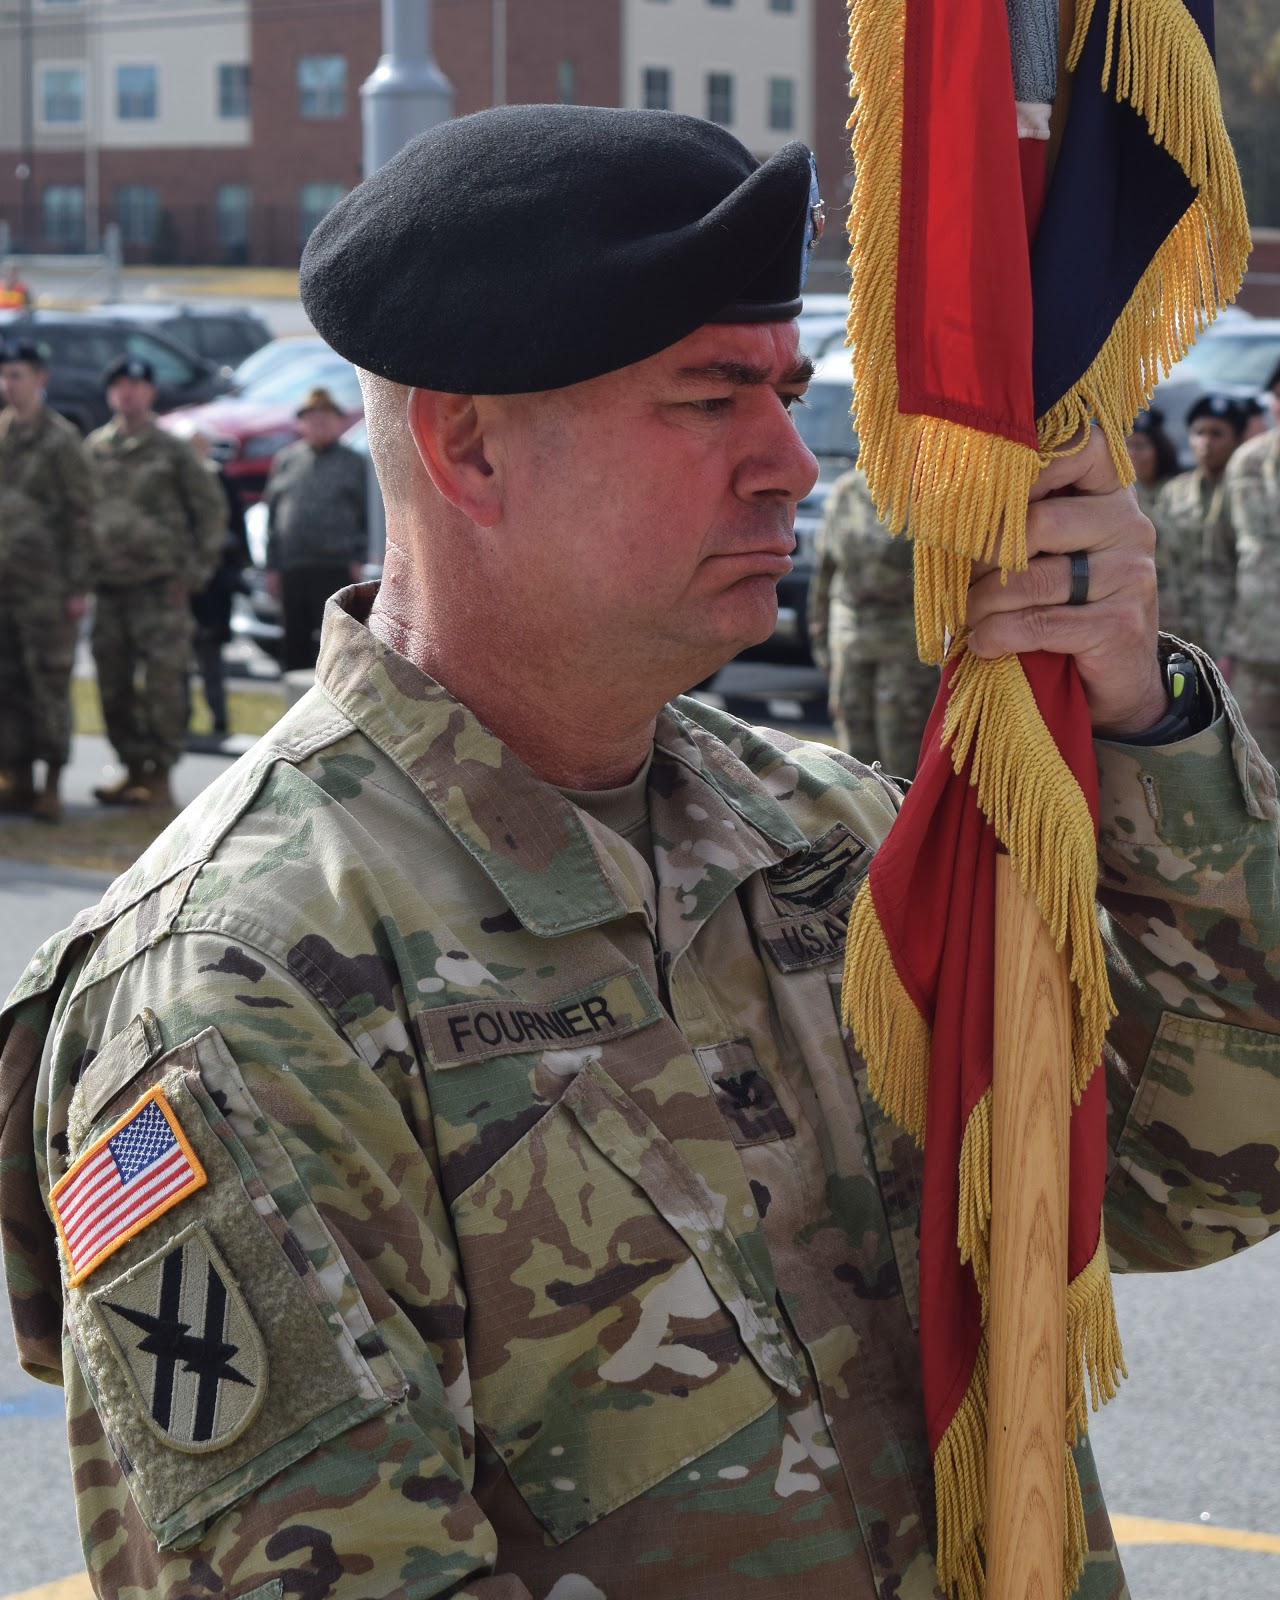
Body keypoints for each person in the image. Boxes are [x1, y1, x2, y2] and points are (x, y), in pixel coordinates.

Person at [3, 106, 1280, 1600]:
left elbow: (1195, 1174)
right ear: (470, 447)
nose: (791, 464)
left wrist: (1142, 723)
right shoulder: (238, 988)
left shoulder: (825, 839)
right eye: (709, 399)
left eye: (785, 393)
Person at [85, 355, 227, 807]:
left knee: (164, 682)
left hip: (160, 588)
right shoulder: (95, 448)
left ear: (150, 392)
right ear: (110, 393)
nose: (128, 393)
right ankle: (131, 769)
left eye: (137, 385)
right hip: (110, 589)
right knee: (113, 684)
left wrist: (195, 571)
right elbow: (80, 512)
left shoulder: (171, 449)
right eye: (120, 385)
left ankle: (160, 774)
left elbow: (211, 509)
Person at [0, 339, 96, 821]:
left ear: (40, 379)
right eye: (4, 375)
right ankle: (15, 777)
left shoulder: (61, 439)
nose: (7, 384)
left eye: (16, 375)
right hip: (5, 588)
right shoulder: (1, 432)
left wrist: (78, 586)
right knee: (8, 683)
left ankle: (52, 783)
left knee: (49, 685)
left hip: (48, 589)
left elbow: (82, 514)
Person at [807, 463, 938, 776]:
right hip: (850, 641)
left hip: (906, 646)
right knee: (852, 759)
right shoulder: (847, 491)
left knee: (902, 754)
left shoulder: (929, 493)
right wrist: (820, 637)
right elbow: (826, 570)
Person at [263, 385, 367, 671]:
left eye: (326, 417)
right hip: (293, 565)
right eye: (312, 417)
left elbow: (367, 514)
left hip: (336, 565)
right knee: (294, 644)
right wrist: (272, 566)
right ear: (302, 423)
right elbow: (273, 516)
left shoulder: (353, 462)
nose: (319, 423)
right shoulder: (286, 460)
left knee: (336, 645)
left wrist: (359, 557)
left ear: (338, 421)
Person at [168, 418, 251, 738]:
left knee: (210, 656)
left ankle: (219, 719)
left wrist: (233, 560)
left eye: (199, 445)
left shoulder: (220, 479)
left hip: (213, 585)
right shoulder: (172, 483)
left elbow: (236, 530)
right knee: (177, 657)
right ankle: (181, 718)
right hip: (179, 584)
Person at [1217, 358, 1280, 766]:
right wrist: (1224, 645)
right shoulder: (1247, 462)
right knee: (1257, 769)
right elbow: (1224, 559)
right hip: (1255, 650)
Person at [1151, 392, 1247, 651]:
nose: (1205, 442)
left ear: (1237, 440)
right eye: (1198, 432)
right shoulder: (1174, 492)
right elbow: (1160, 560)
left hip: (1234, 631)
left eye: (1217, 434)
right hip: (1180, 627)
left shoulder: (1249, 493)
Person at [1123, 405, 1178, 519]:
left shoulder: (1180, 489)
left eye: (1139, 446)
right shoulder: (1119, 491)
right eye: (1127, 445)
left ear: (1159, 450)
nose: (1131, 453)